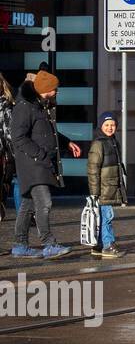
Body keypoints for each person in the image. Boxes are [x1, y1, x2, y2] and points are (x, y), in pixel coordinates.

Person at [11, 70, 81, 259]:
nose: (56, 92)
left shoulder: (41, 106)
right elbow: (17, 137)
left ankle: (20, 245)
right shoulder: (24, 106)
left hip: (38, 163)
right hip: (32, 164)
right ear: (45, 89)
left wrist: (66, 142)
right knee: (44, 202)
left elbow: (46, 132)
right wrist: (40, 155)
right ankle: (48, 244)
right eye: (54, 89)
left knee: (27, 204)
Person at [86, 112, 127, 259]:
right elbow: (92, 169)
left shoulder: (113, 141)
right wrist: (94, 192)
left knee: (102, 217)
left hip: (109, 188)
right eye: (107, 125)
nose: (110, 128)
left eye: (113, 125)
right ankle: (108, 245)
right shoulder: (99, 143)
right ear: (101, 126)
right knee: (107, 217)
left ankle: (98, 246)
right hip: (103, 190)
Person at [0, 73, 15, 222]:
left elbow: (9, 130)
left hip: (6, 150)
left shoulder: (8, 103)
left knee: (5, 180)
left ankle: (2, 204)